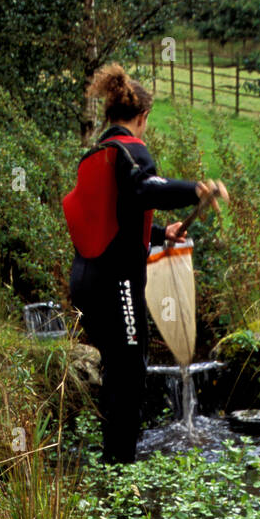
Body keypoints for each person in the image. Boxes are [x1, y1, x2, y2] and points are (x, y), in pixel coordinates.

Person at [67, 63, 227, 463]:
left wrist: (159, 234)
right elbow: (144, 188)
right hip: (116, 281)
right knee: (131, 370)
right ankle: (120, 462)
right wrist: (194, 190)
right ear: (142, 118)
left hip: (86, 279)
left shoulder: (98, 153)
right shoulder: (132, 151)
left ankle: (111, 457)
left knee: (119, 366)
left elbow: (115, 214)